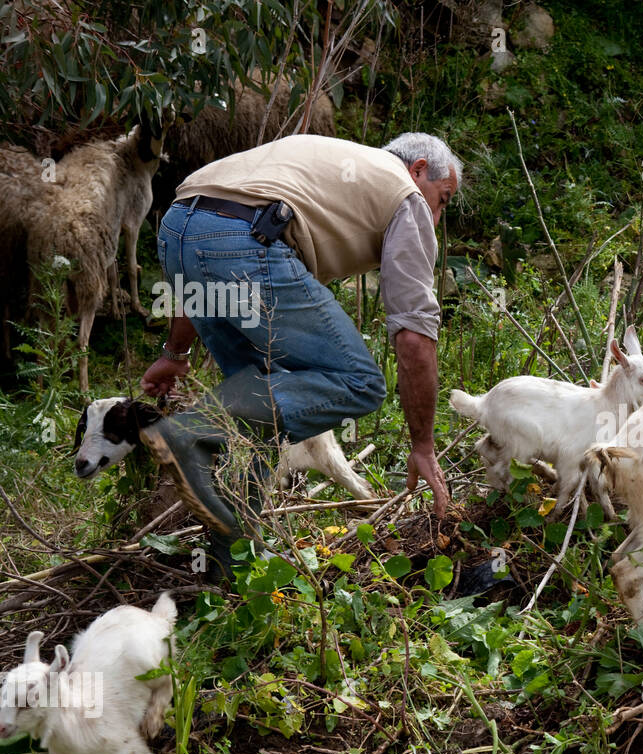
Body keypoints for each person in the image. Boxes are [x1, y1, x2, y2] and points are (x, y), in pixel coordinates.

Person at [139, 132, 460, 574]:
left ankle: (232, 565)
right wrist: (422, 444)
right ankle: (189, 432)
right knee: (359, 383)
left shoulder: (333, 166)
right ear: (419, 169)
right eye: (442, 200)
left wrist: (175, 352)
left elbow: (208, 227)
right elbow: (413, 336)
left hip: (177, 227)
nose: (436, 216)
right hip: (245, 239)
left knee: (259, 403)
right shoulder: (405, 193)